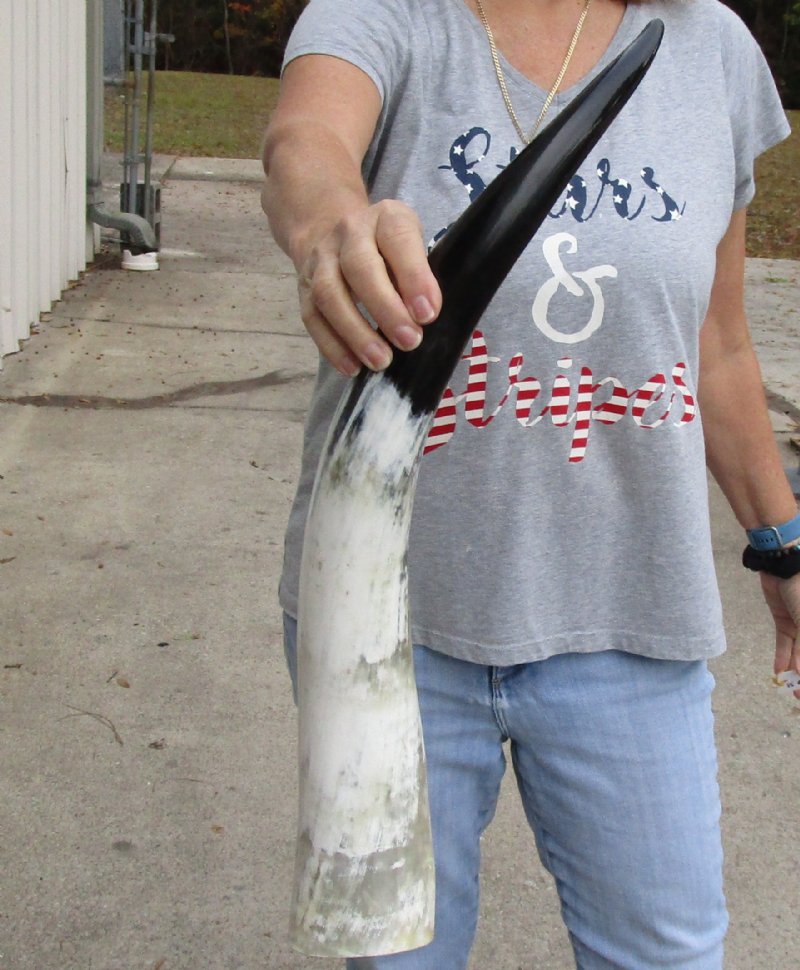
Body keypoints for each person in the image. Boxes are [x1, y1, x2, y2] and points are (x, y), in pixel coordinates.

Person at [261, 0, 800, 966]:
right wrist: (332, 229)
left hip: (632, 614)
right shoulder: (386, 14)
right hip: (392, 624)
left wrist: (781, 538)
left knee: (668, 955)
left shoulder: (711, 46)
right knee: (398, 956)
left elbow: (717, 347)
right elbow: (305, 141)